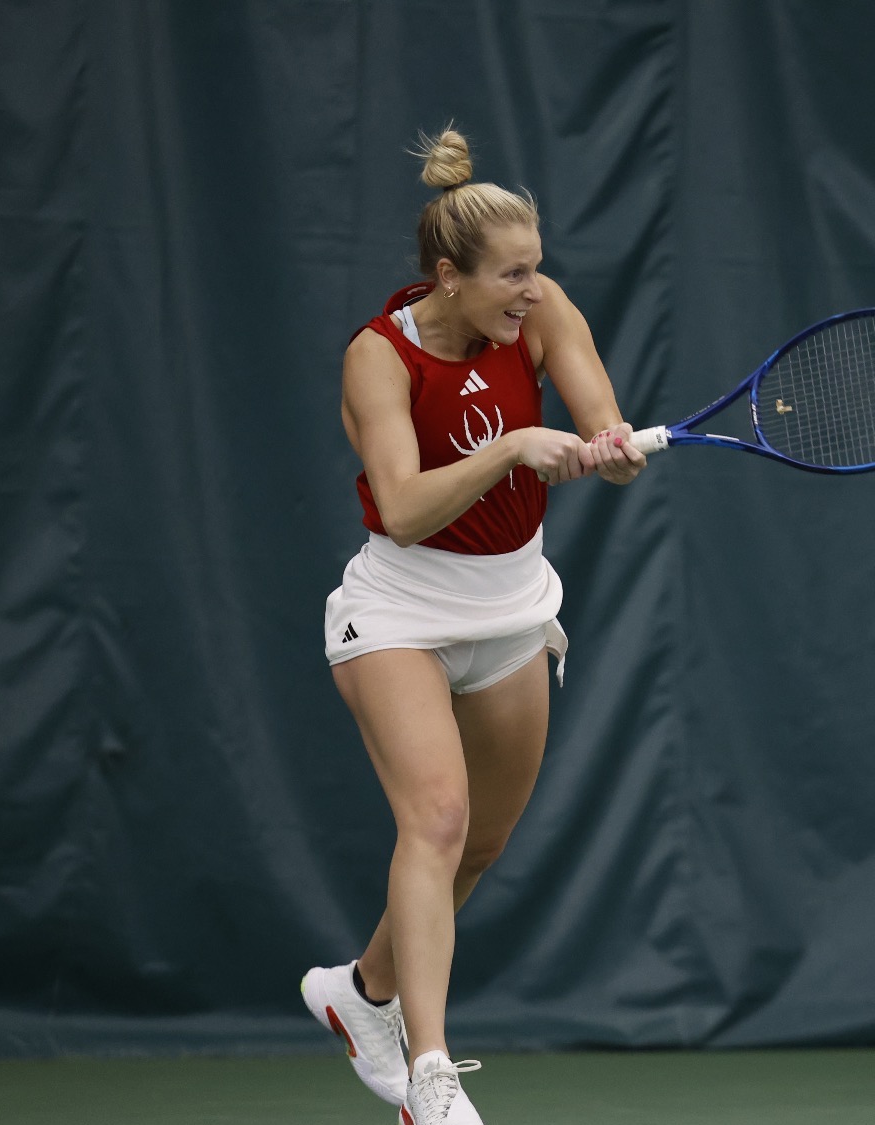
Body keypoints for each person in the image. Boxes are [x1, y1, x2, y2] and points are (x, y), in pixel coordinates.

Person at [299, 126, 645, 1125]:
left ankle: (361, 995)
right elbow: (403, 506)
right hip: (399, 606)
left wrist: (610, 448)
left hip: (512, 606)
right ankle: (430, 1074)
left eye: (537, 269)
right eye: (509, 277)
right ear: (449, 279)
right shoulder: (377, 357)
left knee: (481, 843)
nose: (530, 291)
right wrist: (512, 451)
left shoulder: (543, 313)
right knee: (436, 821)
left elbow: (597, 424)